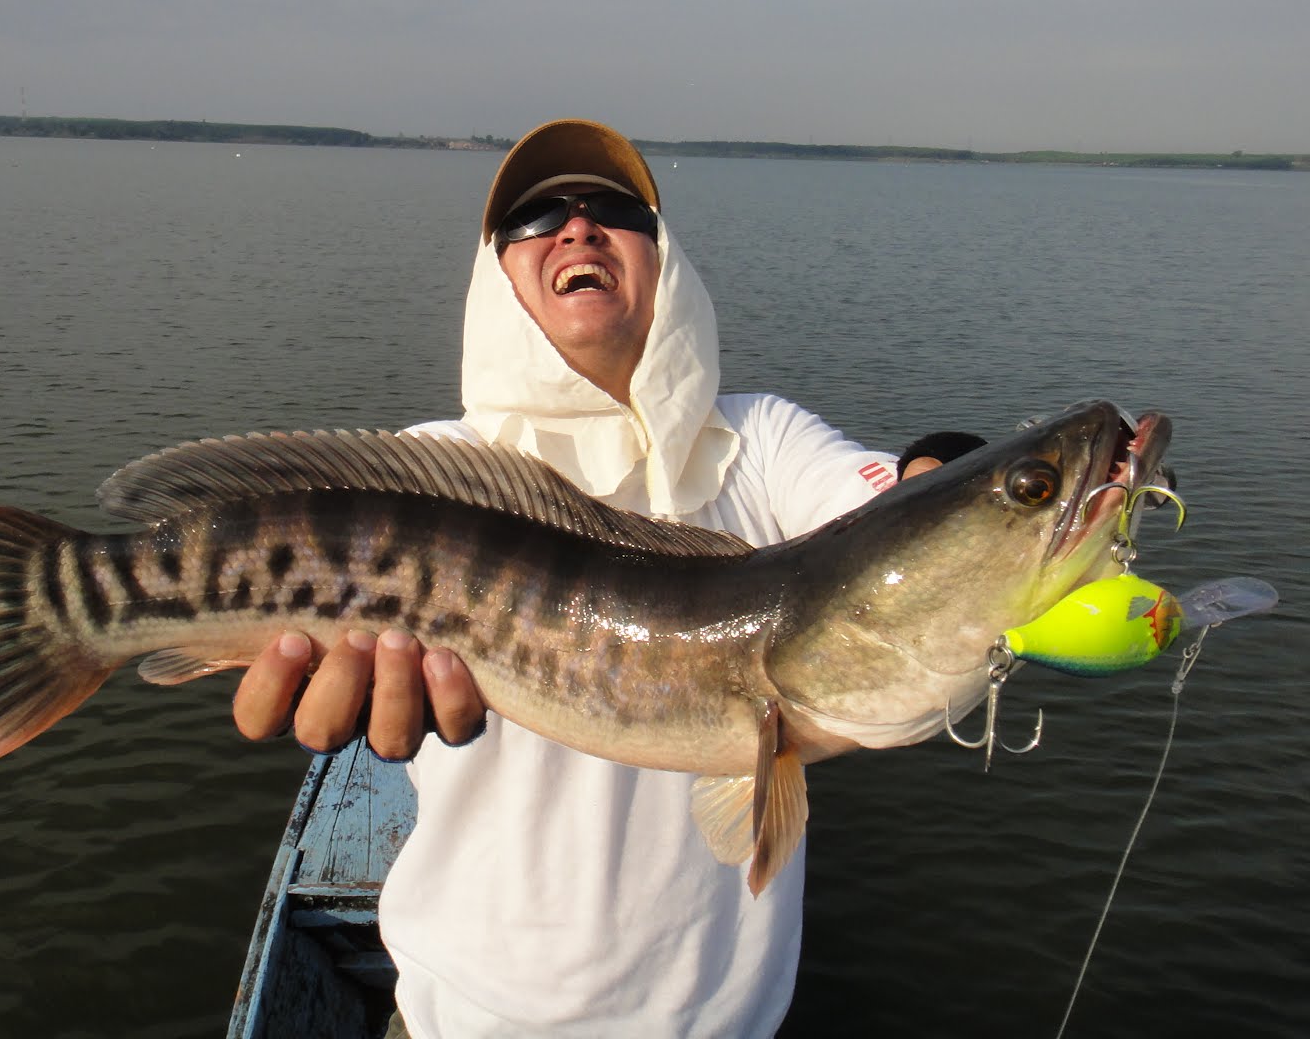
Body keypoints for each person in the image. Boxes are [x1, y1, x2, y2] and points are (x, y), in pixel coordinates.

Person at [232, 120, 954, 1037]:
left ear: (663, 258)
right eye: (536, 218)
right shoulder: (430, 473)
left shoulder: (763, 444)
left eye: (614, 210)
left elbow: (897, 505)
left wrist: (973, 478)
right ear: (496, 272)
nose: (577, 229)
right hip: (465, 1017)